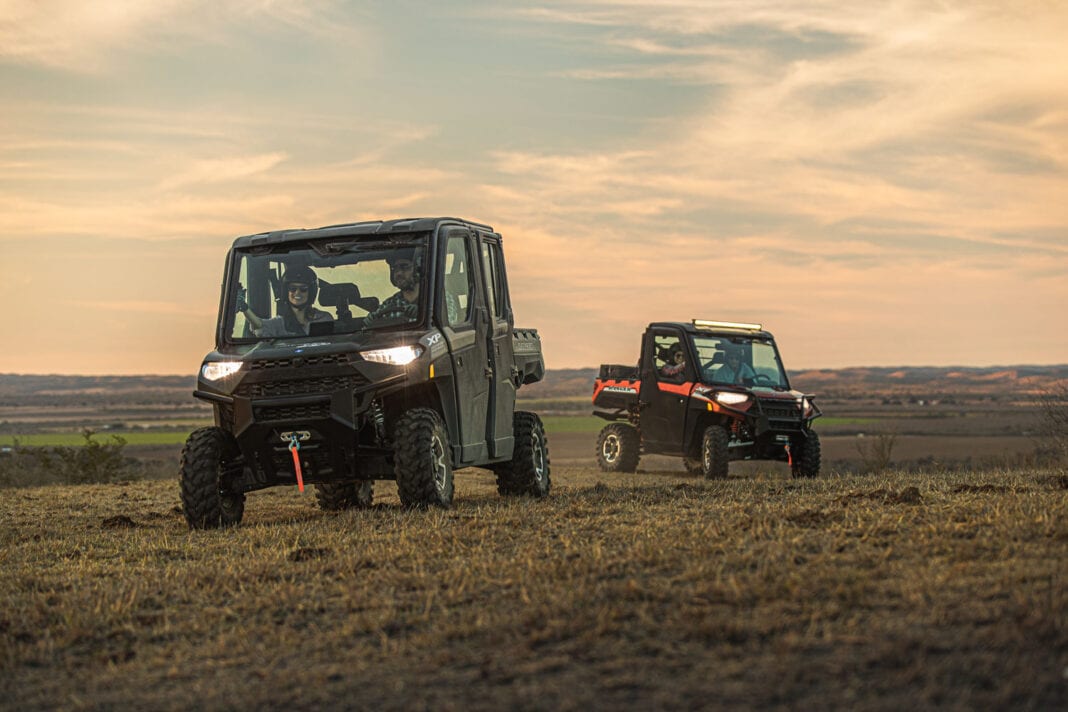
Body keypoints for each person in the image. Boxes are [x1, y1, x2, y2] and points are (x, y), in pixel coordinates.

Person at [363, 251, 458, 328]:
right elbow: (372, 328)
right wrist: (370, 321)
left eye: (404, 267)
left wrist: (425, 315)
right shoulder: (389, 304)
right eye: (395, 268)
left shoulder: (438, 299)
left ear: (419, 269)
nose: (398, 273)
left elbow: (448, 325)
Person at [243, 265, 332, 337]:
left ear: (311, 292)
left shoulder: (324, 319)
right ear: (286, 291)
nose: (297, 293)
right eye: (292, 289)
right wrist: (244, 308)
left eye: (303, 289)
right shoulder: (279, 324)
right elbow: (259, 325)